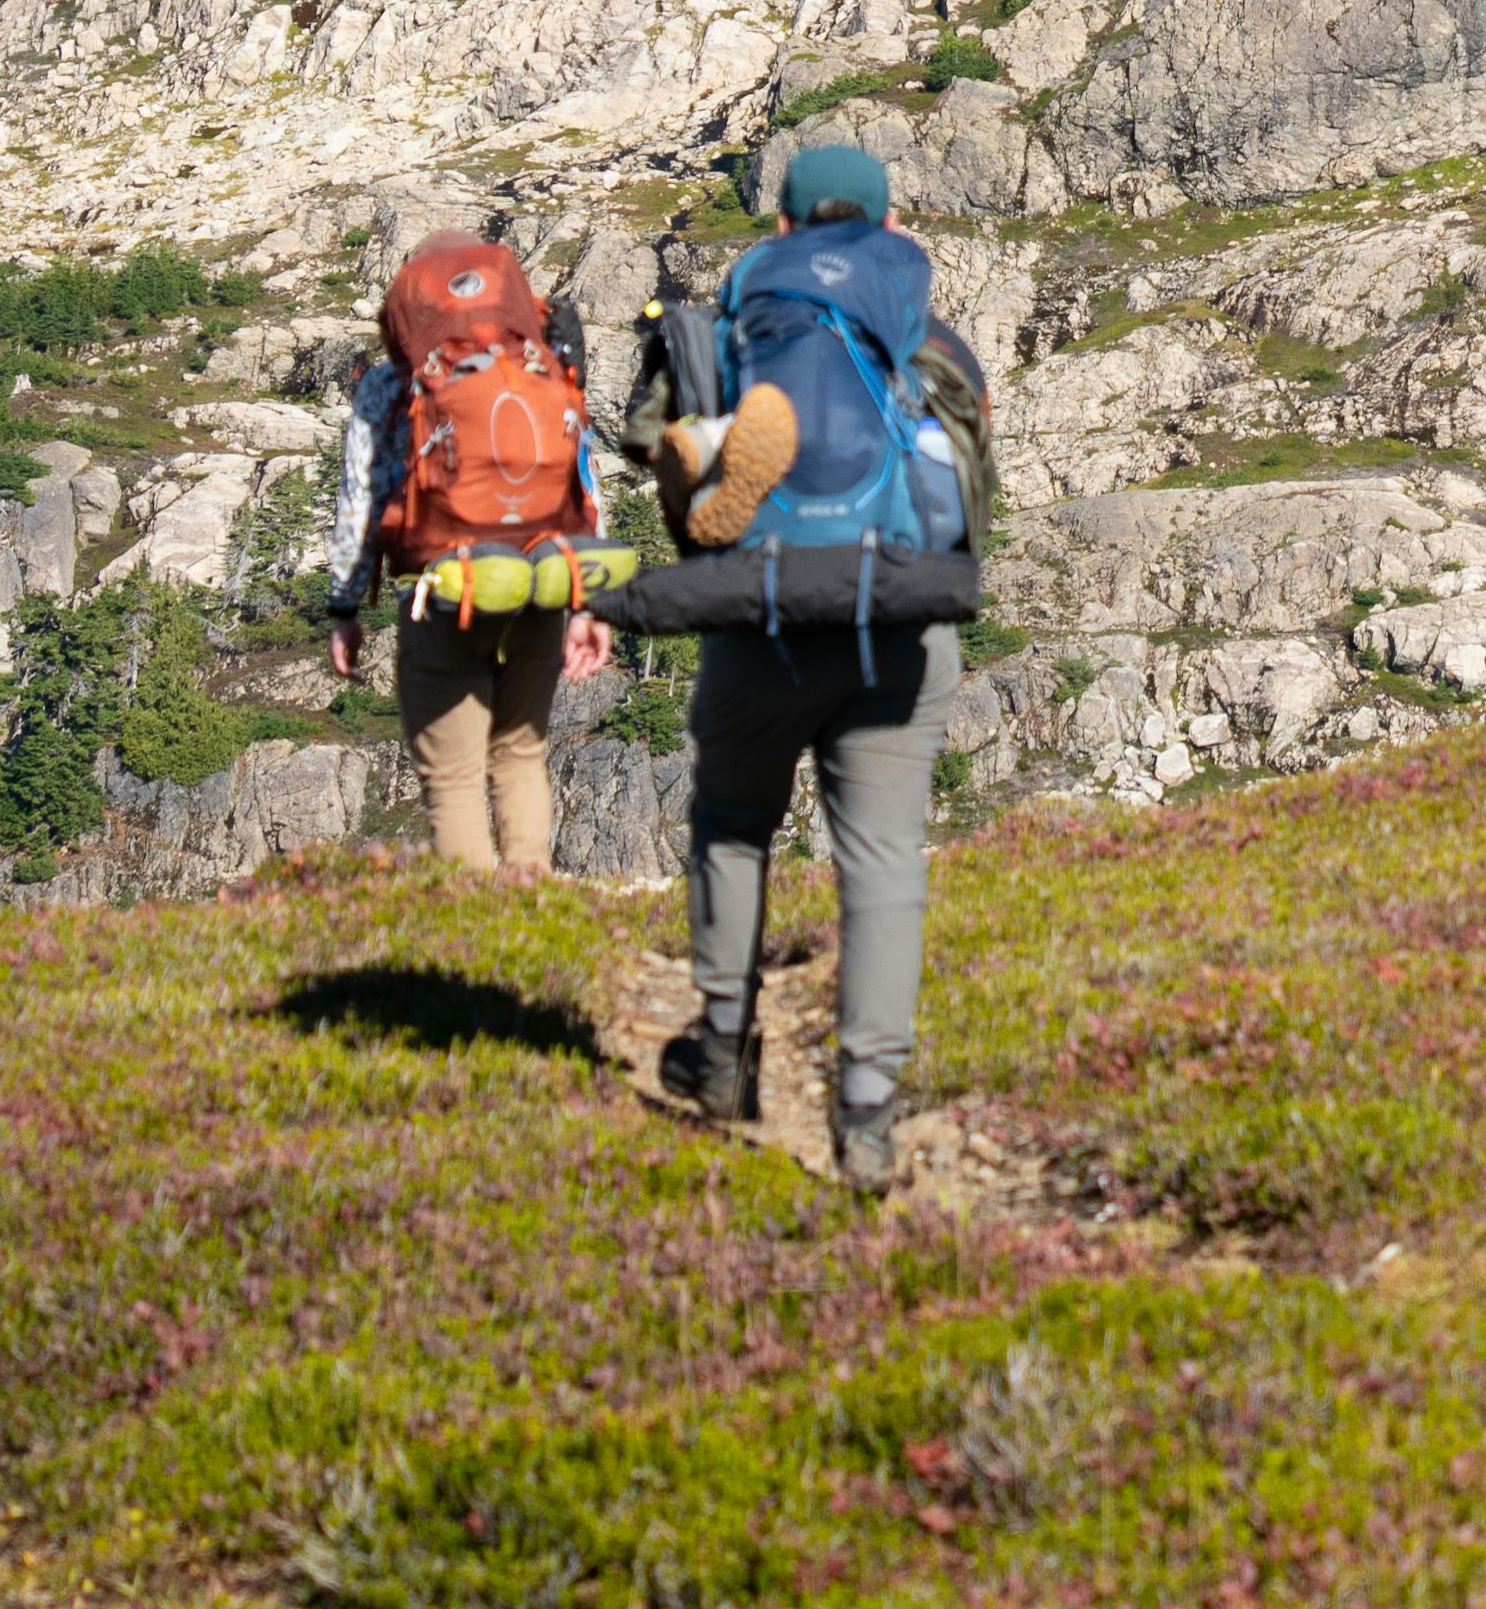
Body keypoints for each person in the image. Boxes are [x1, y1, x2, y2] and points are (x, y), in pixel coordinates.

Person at [618, 136, 993, 1193]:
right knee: (880, 860)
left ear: (778, 224)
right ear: (886, 226)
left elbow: (659, 453)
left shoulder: (740, 329)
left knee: (733, 824)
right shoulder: (933, 344)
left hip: (763, 619)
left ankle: (724, 1049)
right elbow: (969, 493)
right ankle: (866, 1110)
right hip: (896, 625)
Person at [322, 216, 631, 883]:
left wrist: (343, 606)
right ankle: (529, 899)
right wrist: (589, 605)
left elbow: (360, 497)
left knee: (454, 774)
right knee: (521, 751)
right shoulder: (543, 364)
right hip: (544, 583)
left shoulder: (393, 383)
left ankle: (476, 935)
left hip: (450, 586)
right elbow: (584, 481)